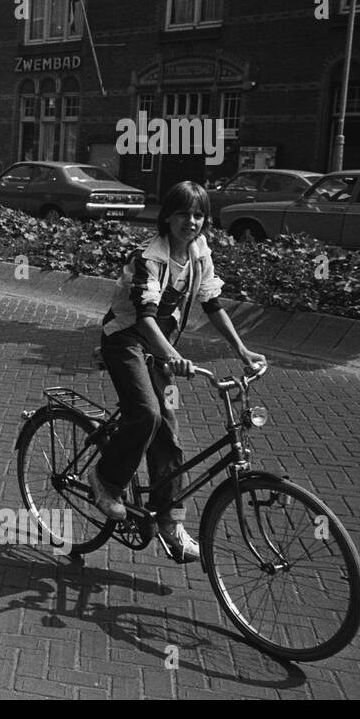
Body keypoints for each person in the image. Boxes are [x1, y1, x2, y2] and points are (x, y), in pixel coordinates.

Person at [93, 180, 267, 563]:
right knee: (146, 413)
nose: (192, 221)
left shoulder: (199, 253)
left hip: (160, 349)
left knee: (168, 432)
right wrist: (173, 355)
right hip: (127, 341)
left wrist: (241, 350)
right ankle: (106, 480)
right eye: (184, 213)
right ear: (168, 216)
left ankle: (171, 524)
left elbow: (213, 303)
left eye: (199, 214)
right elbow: (145, 317)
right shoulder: (150, 258)